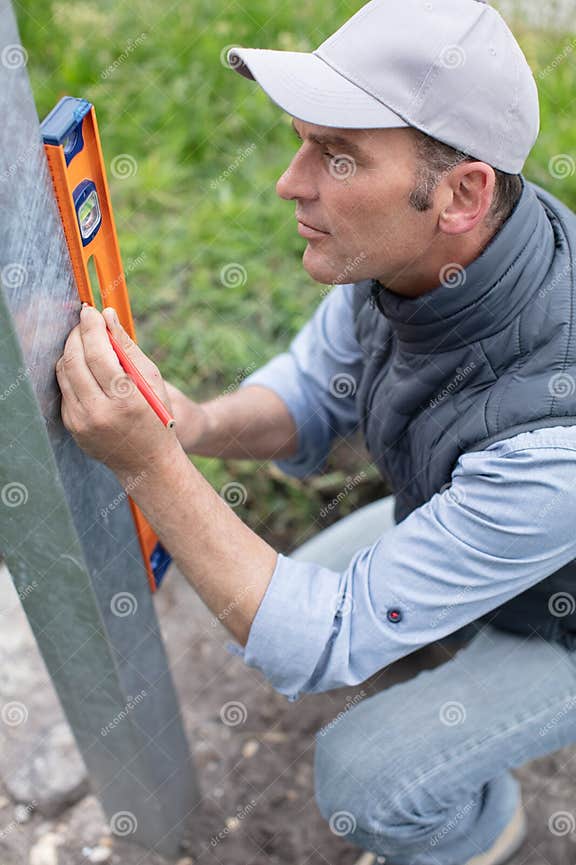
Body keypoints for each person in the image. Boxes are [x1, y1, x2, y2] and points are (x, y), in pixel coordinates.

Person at [55, 0, 576, 863]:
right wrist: (187, 424)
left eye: (338, 156)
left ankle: (481, 827)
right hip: (508, 528)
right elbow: (314, 385)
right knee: (270, 602)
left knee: (365, 777)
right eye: (304, 141)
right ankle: (459, 627)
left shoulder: (551, 434)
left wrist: (146, 466)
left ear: (462, 192)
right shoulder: (442, 249)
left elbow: (323, 640)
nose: (290, 183)